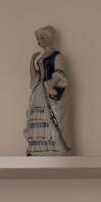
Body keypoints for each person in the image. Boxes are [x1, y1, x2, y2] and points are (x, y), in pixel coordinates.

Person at [24, 26, 70, 155]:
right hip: (40, 91)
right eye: (37, 39)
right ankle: (38, 149)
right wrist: (32, 62)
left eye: (42, 37)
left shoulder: (57, 55)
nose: (39, 41)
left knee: (52, 118)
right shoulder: (40, 58)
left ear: (50, 37)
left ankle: (54, 149)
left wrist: (51, 85)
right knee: (37, 117)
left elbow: (60, 73)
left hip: (50, 91)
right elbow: (35, 78)